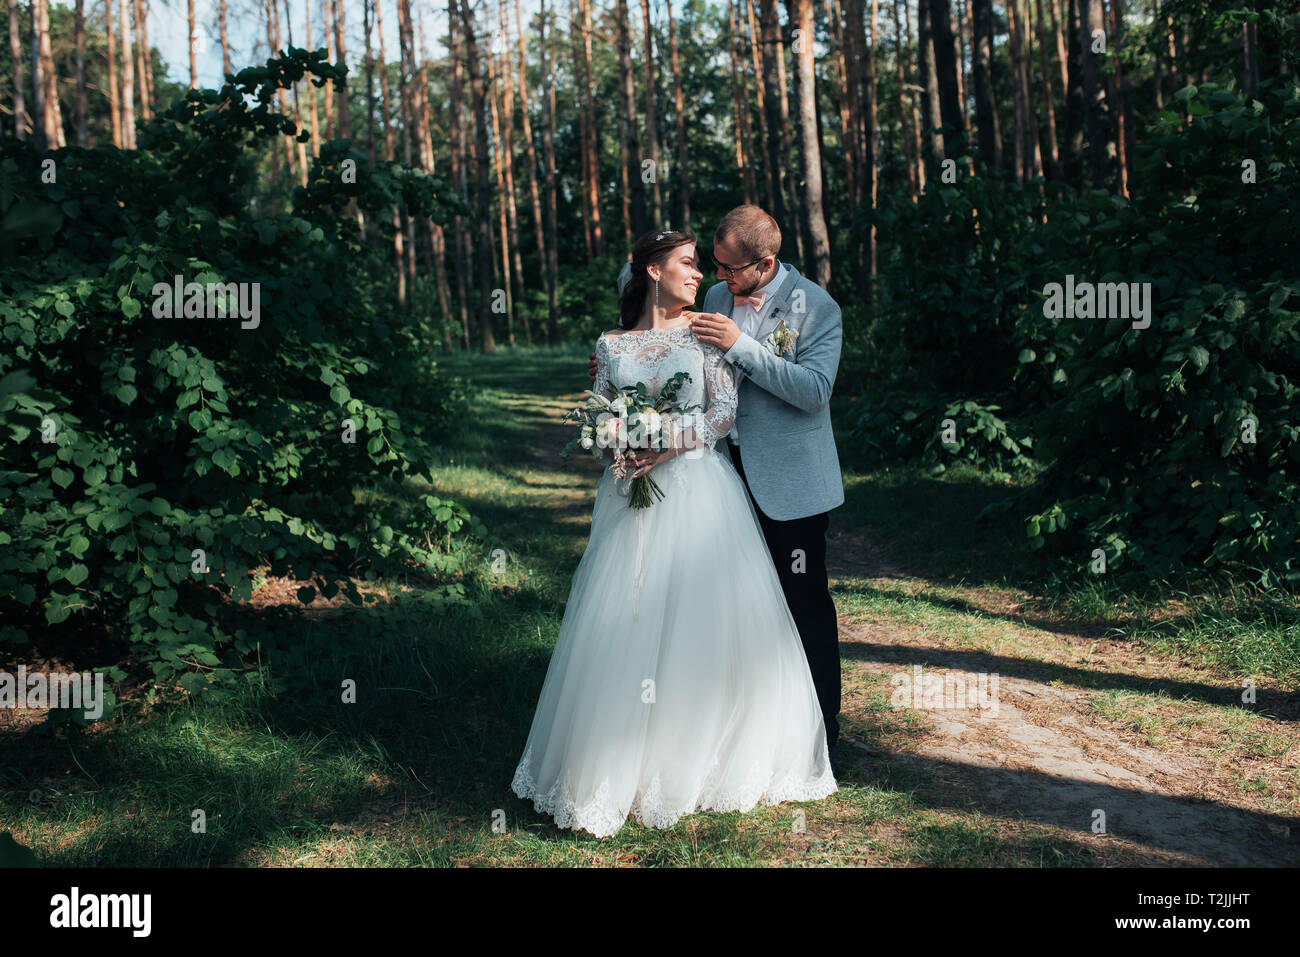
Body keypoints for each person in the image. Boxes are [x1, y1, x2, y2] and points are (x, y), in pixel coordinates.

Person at [511, 228, 836, 838]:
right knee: (627, 618)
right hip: (628, 498)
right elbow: (601, 409)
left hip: (700, 489)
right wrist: (618, 441)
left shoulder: (708, 328)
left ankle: (712, 751)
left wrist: (661, 444)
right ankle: (620, 764)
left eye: (707, 265)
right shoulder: (611, 344)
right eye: (690, 264)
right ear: (653, 271)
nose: (703, 276)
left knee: (709, 620)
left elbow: (721, 413)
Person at [587, 205, 846, 751]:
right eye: (715, 266)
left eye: (730, 270)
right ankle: (738, 731)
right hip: (720, 474)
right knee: (734, 607)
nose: (720, 279)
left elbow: (813, 392)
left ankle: (822, 736)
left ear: (765, 262)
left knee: (802, 604)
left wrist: (740, 345)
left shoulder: (816, 309)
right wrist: (621, 372)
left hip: (789, 480)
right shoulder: (714, 298)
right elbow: (682, 366)